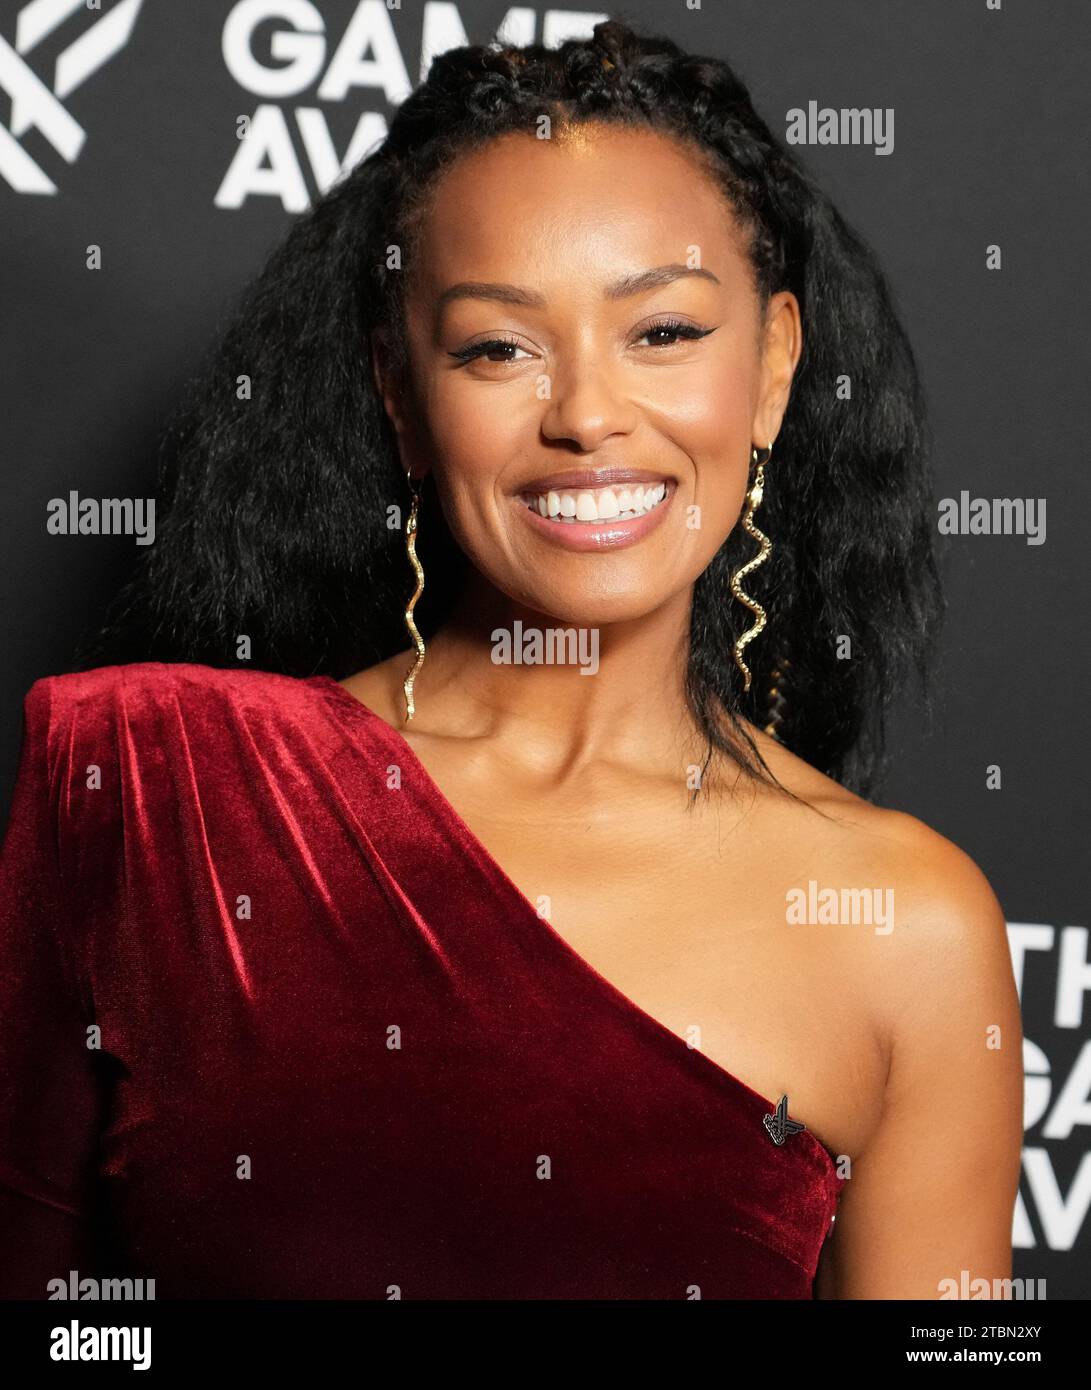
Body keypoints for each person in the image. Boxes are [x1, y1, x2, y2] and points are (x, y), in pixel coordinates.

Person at [0, 20, 1023, 1299]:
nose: (586, 414)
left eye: (662, 332)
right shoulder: (147, 789)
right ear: (398, 392)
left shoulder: (908, 928)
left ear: (769, 368)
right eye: (499, 347)